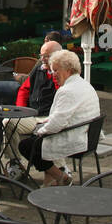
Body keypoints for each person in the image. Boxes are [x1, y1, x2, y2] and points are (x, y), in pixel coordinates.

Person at [18, 50, 97, 187]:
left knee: (26, 145)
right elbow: (62, 116)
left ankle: (60, 176)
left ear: (68, 70)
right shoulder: (85, 85)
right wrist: (45, 124)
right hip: (87, 136)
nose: (53, 74)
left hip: (75, 138)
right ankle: (53, 179)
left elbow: (57, 124)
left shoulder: (67, 91)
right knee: (37, 139)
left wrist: (39, 131)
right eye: (52, 71)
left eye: (56, 70)